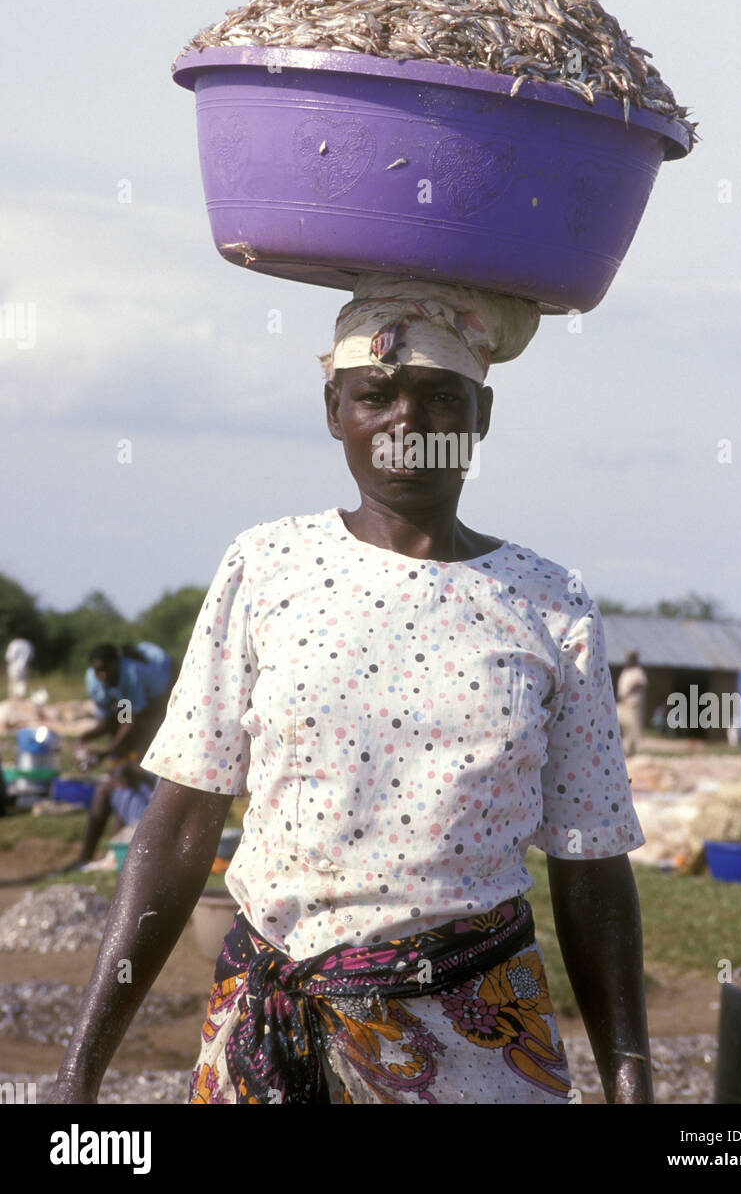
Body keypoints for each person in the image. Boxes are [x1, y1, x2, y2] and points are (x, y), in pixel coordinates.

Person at [49, 274, 651, 1106]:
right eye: (377, 394)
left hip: (478, 1037)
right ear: (335, 409)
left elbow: (591, 866)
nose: (407, 419)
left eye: (441, 396)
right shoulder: (267, 567)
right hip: (270, 1025)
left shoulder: (552, 604)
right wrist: (78, 1073)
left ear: (482, 416)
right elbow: (182, 824)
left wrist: (631, 1075)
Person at [63, 640, 173, 869]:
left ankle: (122, 851)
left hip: (160, 695)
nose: (102, 675)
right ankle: (108, 851)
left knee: (135, 749)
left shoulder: (131, 676)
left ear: (117, 665)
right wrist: (85, 737)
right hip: (132, 707)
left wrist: (107, 750)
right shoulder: (96, 682)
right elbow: (113, 719)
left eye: (106, 669)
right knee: (121, 766)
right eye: (97, 670)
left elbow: (132, 721)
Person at [616, 651, 647, 757]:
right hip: (622, 703)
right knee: (619, 725)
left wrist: (628, 692)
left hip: (632, 704)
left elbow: (640, 683)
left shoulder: (637, 672)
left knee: (632, 729)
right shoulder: (626, 671)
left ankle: (632, 752)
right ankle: (622, 749)